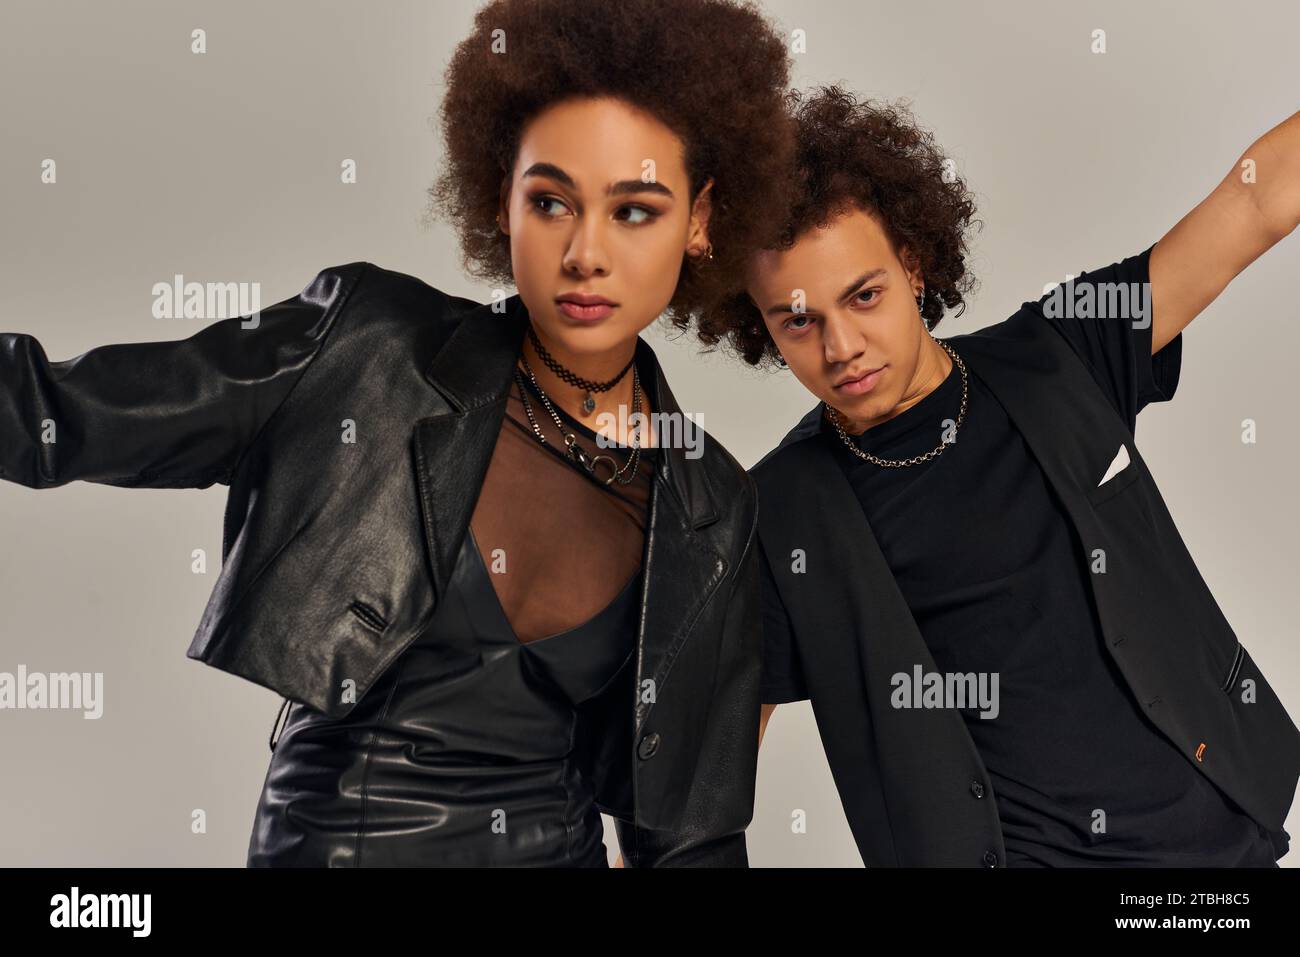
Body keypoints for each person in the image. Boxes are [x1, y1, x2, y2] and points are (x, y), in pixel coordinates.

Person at [0, 0, 797, 867]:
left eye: (635, 209)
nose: (585, 253)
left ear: (701, 218)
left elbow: (688, 837)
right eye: (551, 200)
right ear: (503, 200)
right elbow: (53, 417)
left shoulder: (711, 505)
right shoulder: (367, 351)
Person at [703, 85, 1300, 866]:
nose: (841, 345)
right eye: (798, 319)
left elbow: (1256, 204)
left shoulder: (1062, 351)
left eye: (864, 295)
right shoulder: (779, 511)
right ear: (762, 325)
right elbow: (712, 761)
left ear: (911, 266)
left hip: (1226, 851)